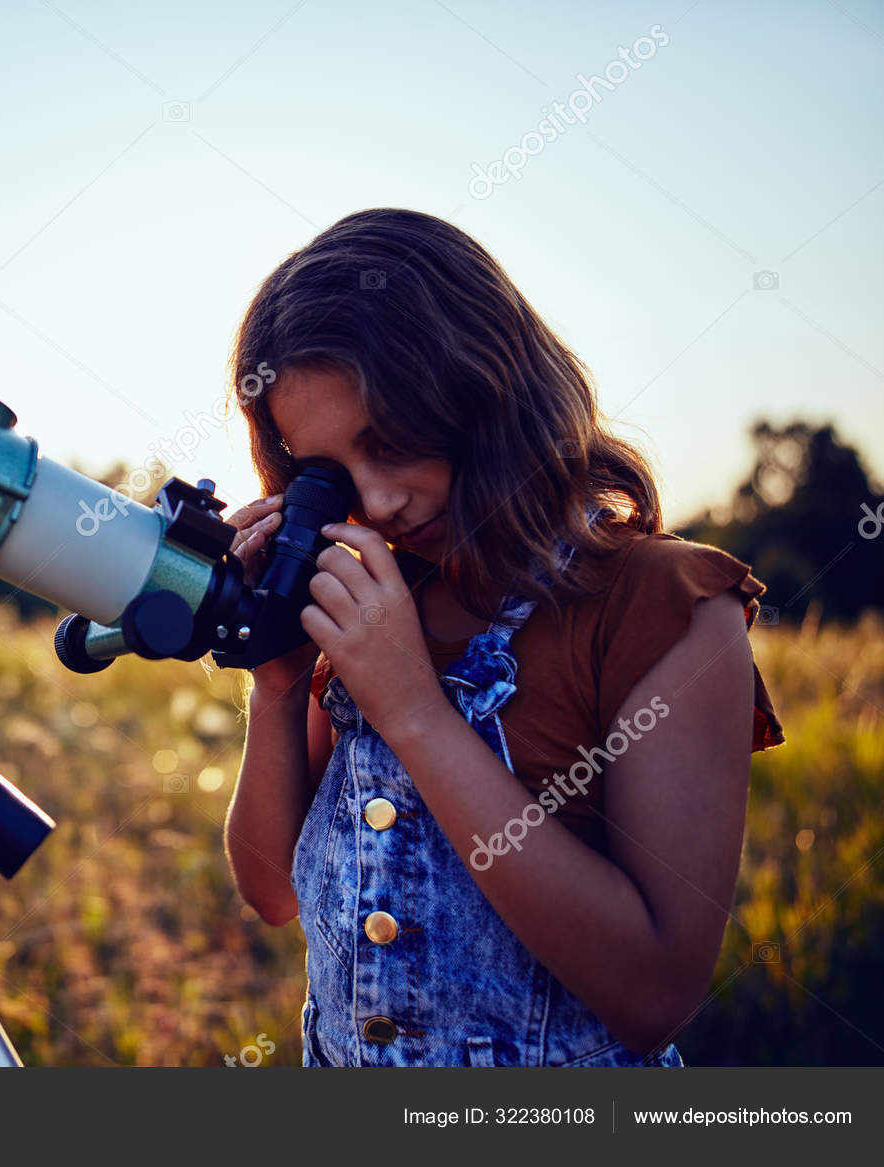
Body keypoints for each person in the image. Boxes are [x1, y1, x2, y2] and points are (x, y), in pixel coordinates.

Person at [220, 209, 786, 1067]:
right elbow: (269, 890)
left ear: (487, 392)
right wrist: (276, 684)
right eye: (329, 471)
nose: (374, 504)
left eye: (395, 443)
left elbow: (656, 994)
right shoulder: (381, 603)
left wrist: (416, 709)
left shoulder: (666, 607)